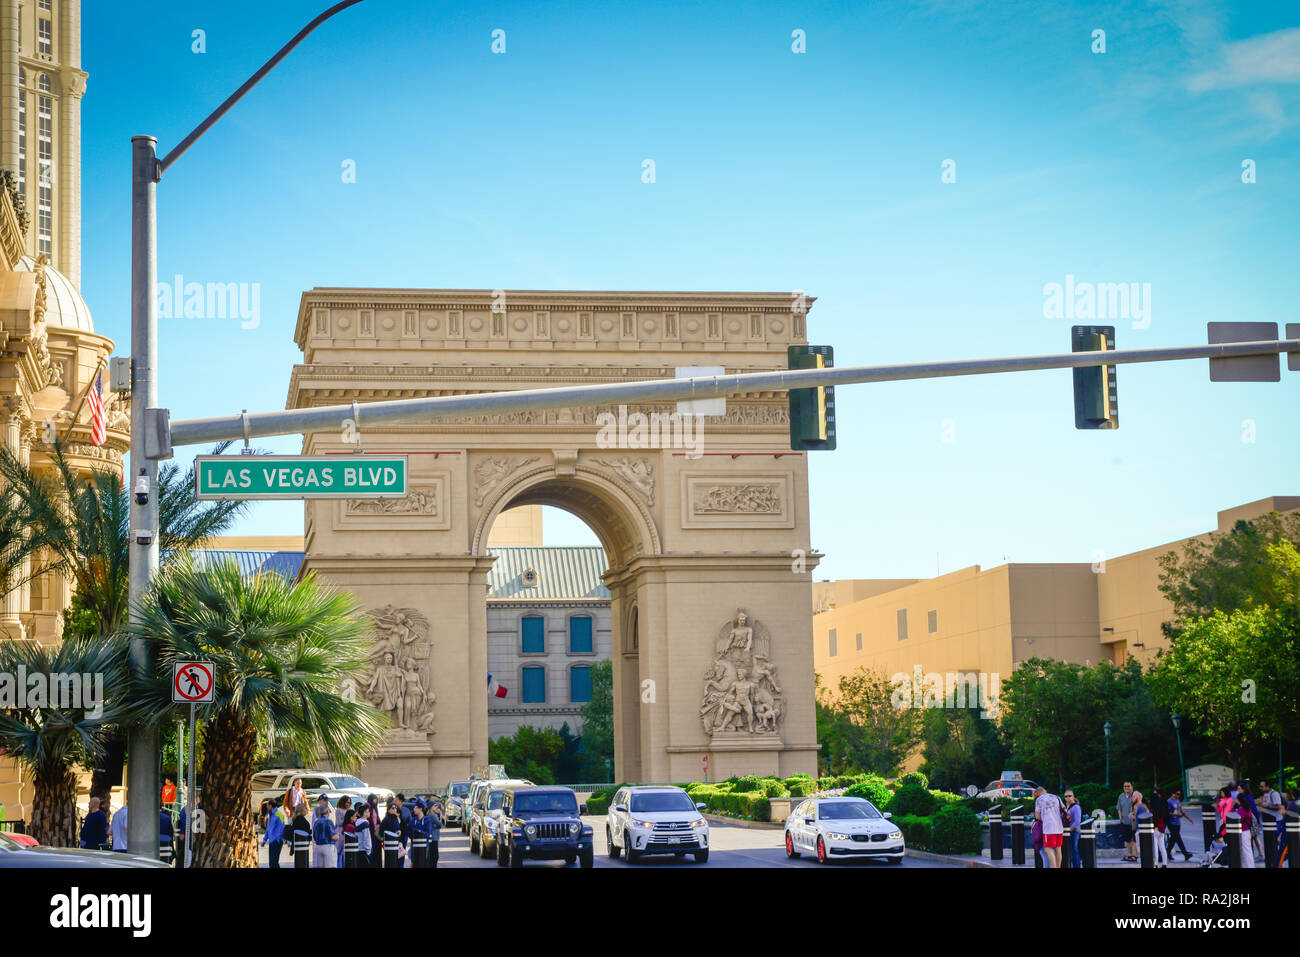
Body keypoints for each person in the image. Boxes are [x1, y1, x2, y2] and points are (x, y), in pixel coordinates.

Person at [1034, 785, 1064, 868]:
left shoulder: (1039, 799)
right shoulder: (1057, 797)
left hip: (1048, 828)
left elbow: (1037, 816)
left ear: (1038, 793)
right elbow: (1064, 809)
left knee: (1048, 848)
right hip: (1059, 827)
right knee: (1058, 849)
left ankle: (1053, 866)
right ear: (1045, 790)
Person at [1165, 788, 1193, 861]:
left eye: (1179, 794)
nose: (1178, 796)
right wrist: (1177, 815)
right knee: (1177, 838)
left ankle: (1167, 853)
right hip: (1171, 822)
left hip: (1177, 822)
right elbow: (1167, 813)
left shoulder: (1178, 801)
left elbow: (1181, 810)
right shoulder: (1169, 801)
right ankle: (1185, 854)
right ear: (1173, 794)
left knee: (1174, 839)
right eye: (1177, 794)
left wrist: (1189, 818)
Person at [312, 798, 337, 868]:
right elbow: (333, 836)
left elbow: (314, 836)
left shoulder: (316, 822)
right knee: (330, 866)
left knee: (320, 866)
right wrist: (338, 836)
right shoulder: (328, 821)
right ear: (327, 812)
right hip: (328, 846)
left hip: (318, 846)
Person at [263, 797, 288, 868]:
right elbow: (268, 828)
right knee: (272, 862)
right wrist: (264, 840)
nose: (267, 807)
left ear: (271, 806)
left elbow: (282, 828)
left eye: (267, 805)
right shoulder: (270, 815)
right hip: (272, 841)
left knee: (274, 862)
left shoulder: (279, 814)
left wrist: (278, 838)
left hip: (277, 841)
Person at [1148, 787, 1169, 868]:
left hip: (1155, 828)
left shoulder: (1153, 808)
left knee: (1155, 847)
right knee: (1162, 847)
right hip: (1162, 828)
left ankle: (1156, 863)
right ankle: (1164, 863)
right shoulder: (1163, 804)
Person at [1117, 782, 1137, 862]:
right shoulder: (1121, 796)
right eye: (1125, 786)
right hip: (1124, 821)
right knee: (1127, 840)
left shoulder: (1134, 796)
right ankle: (1129, 855)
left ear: (1131, 787)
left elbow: (1137, 807)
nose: (1126, 787)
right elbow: (1119, 808)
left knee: (1134, 839)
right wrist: (1120, 819)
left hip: (1133, 822)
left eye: (1128, 786)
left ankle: (1135, 856)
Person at [380, 801, 403, 868]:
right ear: (389, 809)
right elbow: (382, 831)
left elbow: (398, 828)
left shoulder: (395, 818)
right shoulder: (386, 819)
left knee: (395, 862)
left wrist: (399, 831)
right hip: (389, 844)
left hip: (395, 843)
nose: (395, 809)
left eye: (395, 808)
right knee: (389, 862)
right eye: (392, 808)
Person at [1063, 789, 1083, 869]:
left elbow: (1078, 820)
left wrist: (1070, 829)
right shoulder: (1068, 806)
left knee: (1074, 850)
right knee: (1072, 850)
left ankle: (1077, 866)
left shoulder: (1076, 807)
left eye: (1070, 796)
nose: (1068, 797)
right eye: (1066, 796)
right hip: (1070, 831)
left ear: (1073, 796)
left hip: (1074, 831)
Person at [290, 802, 312, 869]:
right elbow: (303, 832)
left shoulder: (296, 819)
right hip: (302, 845)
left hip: (299, 846)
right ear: (302, 810)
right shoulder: (300, 820)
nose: (307, 810)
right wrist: (311, 833)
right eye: (306, 809)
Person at [353, 803, 374, 867]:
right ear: (365, 813)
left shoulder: (356, 822)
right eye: (367, 812)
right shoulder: (365, 824)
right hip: (364, 850)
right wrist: (368, 851)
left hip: (358, 849)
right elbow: (366, 838)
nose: (369, 813)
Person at [335, 796, 352, 867]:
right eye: (347, 802)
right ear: (343, 802)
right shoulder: (339, 810)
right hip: (340, 831)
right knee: (339, 852)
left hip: (347, 831)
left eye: (349, 802)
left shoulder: (349, 810)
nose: (348, 804)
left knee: (344, 852)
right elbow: (339, 822)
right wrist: (348, 820)